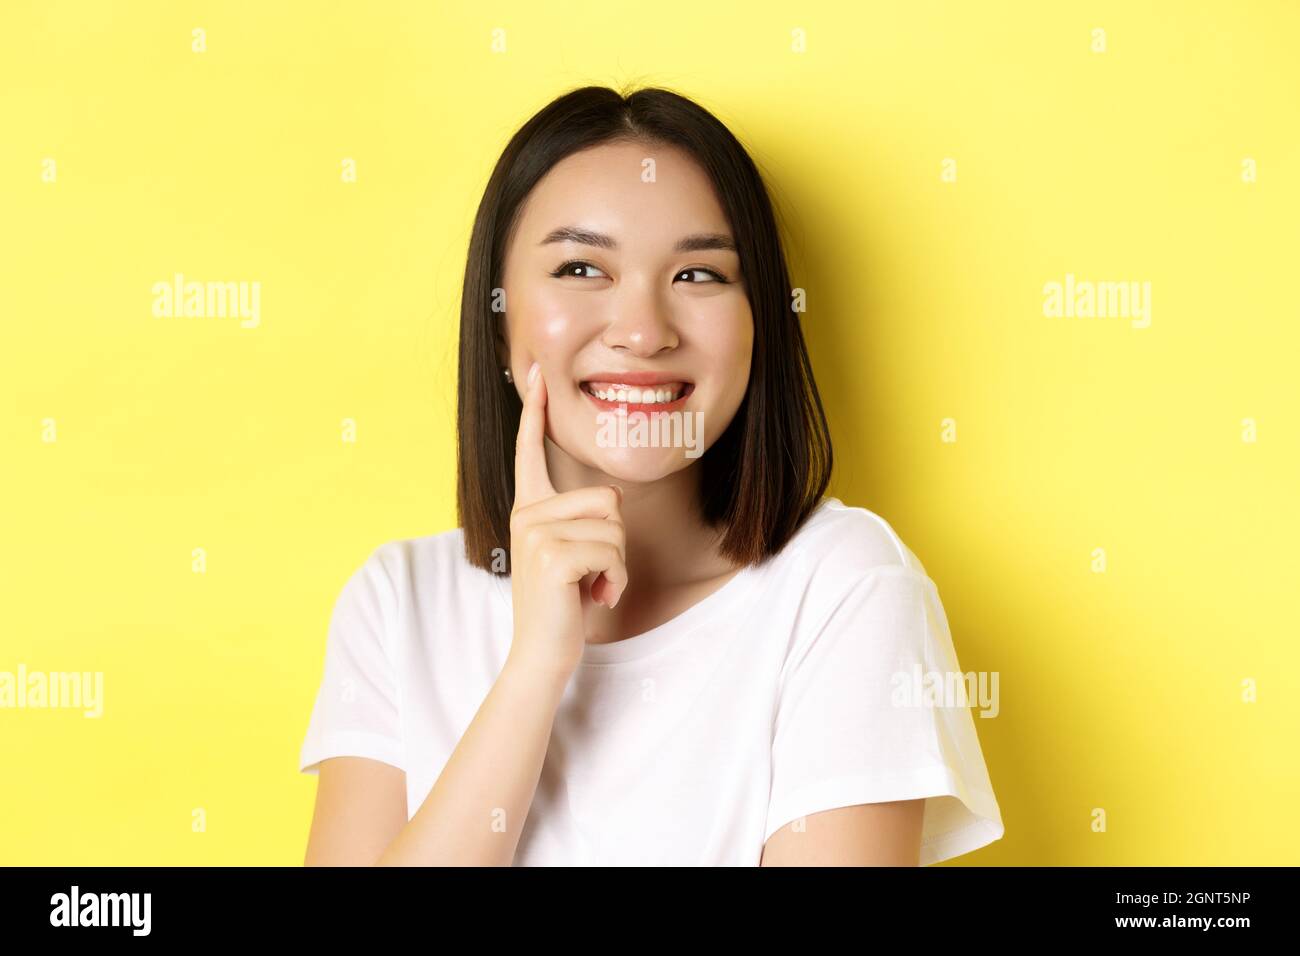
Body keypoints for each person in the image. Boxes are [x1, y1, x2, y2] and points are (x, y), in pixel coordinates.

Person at [298, 84, 1004, 866]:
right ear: (499, 320)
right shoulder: (397, 603)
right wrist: (535, 667)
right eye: (580, 268)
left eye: (698, 275)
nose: (642, 332)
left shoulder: (843, 588)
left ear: (759, 321)